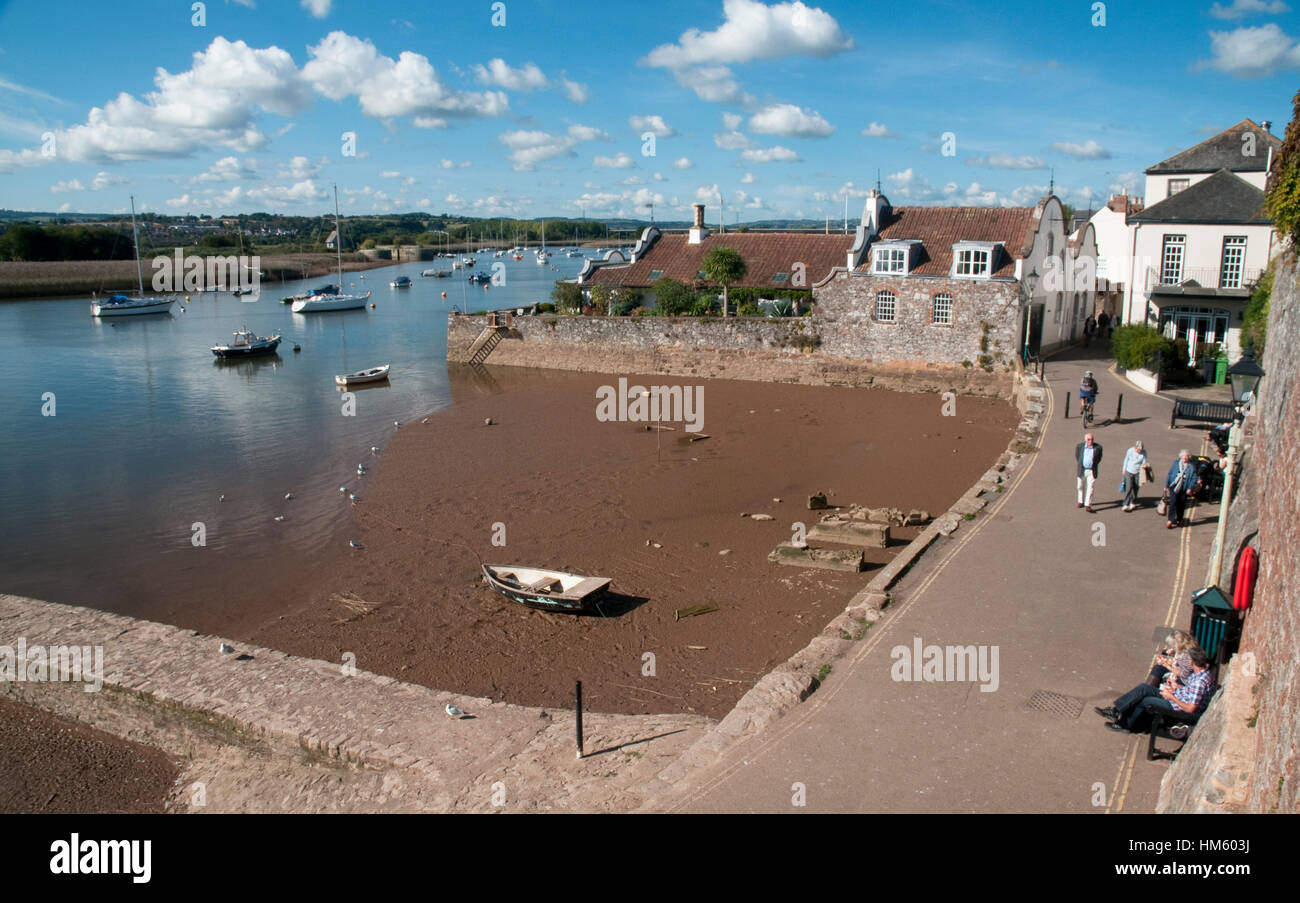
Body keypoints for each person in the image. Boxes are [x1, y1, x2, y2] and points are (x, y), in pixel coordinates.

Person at [1098, 647, 1215, 733]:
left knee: (1146, 700)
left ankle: (1125, 725)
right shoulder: (1201, 673)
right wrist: (1176, 687)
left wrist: (1171, 697)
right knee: (1144, 688)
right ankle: (1116, 711)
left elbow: (1190, 709)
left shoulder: (1199, 681)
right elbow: (1191, 691)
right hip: (1177, 697)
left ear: (1191, 662)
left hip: (1176, 706)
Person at [1164, 449, 1196, 528]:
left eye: (1186, 457)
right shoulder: (1175, 464)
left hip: (1184, 488)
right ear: (1180, 457)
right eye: (1183, 457)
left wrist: (1190, 488)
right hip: (1174, 486)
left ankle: (1179, 519)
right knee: (1173, 503)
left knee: (1181, 505)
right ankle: (1170, 520)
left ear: (1188, 458)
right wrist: (1166, 486)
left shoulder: (1191, 467)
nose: (1184, 459)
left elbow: (1194, 478)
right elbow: (1170, 474)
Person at [1075, 432, 1103, 512]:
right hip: (1082, 470)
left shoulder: (1098, 448)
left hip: (1091, 471)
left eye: (1092, 439)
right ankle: (1080, 501)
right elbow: (1077, 456)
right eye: (1088, 439)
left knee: (1090, 488)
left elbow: (1099, 458)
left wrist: (1093, 464)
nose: (1090, 441)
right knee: (1079, 486)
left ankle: (1088, 505)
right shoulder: (1079, 446)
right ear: (1085, 440)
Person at [1119, 440, 1150, 512]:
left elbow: (1144, 462)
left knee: (1136, 488)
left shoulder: (1144, 452)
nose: (1139, 451)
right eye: (1138, 449)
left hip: (1138, 472)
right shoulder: (1130, 451)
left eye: (1141, 449)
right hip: (1129, 471)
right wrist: (1124, 469)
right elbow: (1126, 460)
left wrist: (1144, 471)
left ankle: (1132, 502)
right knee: (1129, 488)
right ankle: (1125, 504)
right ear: (1135, 447)